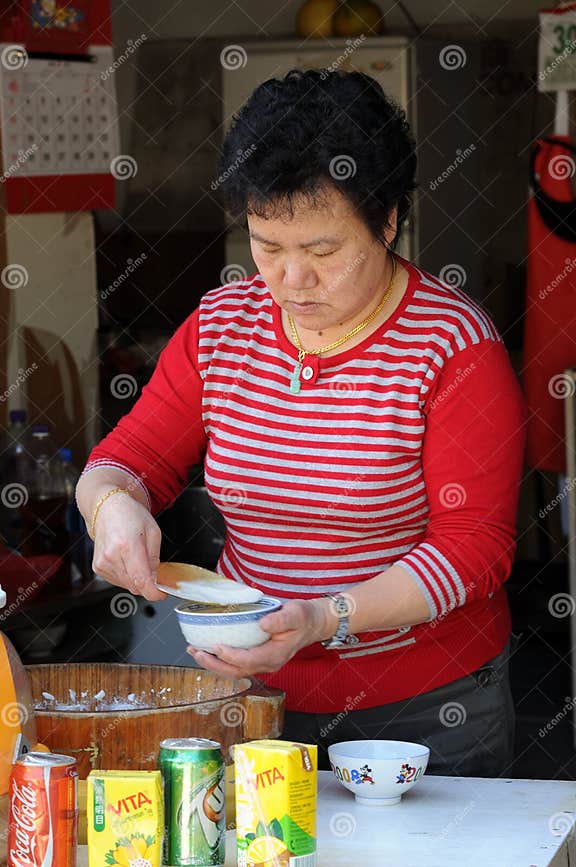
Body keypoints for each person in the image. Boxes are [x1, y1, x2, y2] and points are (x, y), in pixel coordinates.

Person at [76, 70, 527, 776]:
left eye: (322, 252)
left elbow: (477, 546)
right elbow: (126, 458)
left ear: (387, 221)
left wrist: (325, 617)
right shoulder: (224, 326)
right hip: (244, 696)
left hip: (420, 712)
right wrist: (110, 509)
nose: (291, 281)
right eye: (268, 247)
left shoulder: (455, 347)